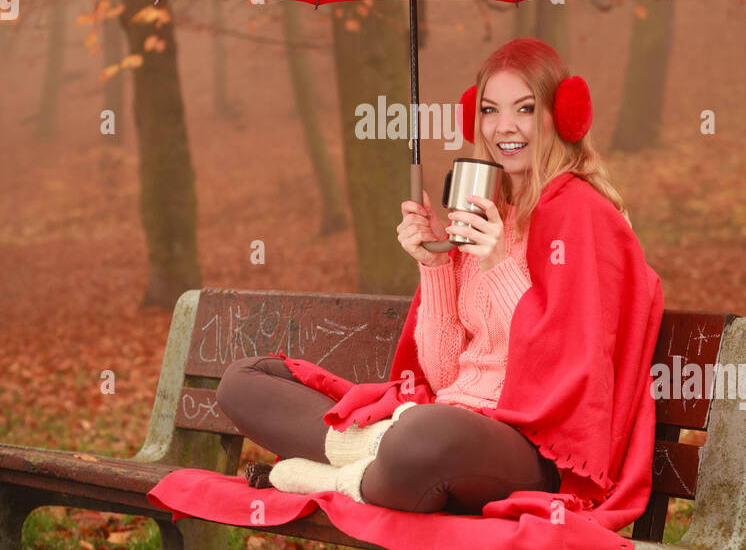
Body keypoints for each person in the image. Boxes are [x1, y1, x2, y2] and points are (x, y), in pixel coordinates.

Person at [215, 38, 639, 517]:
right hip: (443, 425)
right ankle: (374, 460)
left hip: (528, 445)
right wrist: (437, 266)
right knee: (243, 381)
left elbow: (567, 368)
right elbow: (442, 376)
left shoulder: (586, 215)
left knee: (423, 435)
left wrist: (498, 265)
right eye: (489, 110)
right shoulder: (488, 214)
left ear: (563, 116)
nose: (505, 127)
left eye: (524, 108)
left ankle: (323, 474)